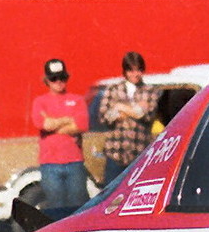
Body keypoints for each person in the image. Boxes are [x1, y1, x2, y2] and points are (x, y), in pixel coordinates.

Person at [30, 58, 91, 213]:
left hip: (74, 162)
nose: (58, 82)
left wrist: (53, 124)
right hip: (50, 164)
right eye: (54, 78)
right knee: (55, 208)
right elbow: (42, 124)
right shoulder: (39, 102)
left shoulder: (77, 100)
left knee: (78, 208)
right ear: (47, 80)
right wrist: (67, 119)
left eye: (62, 77)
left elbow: (82, 125)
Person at [98, 51, 159, 183]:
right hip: (115, 153)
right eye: (131, 70)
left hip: (139, 153)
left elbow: (146, 115)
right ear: (125, 71)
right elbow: (104, 117)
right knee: (111, 197)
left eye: (138, 70)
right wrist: (135, 109)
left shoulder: (149, 90)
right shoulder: (113, 89)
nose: (135, 74)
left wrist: (120, 106)